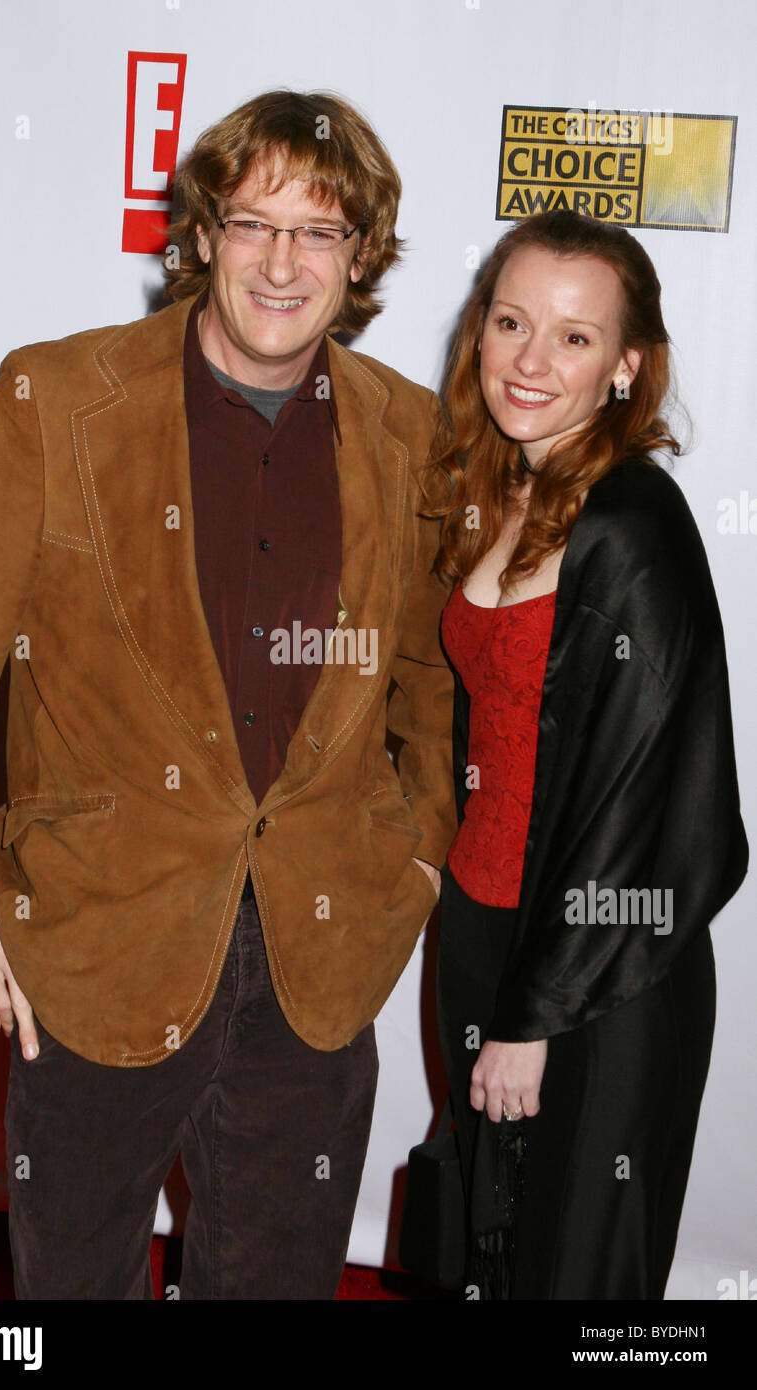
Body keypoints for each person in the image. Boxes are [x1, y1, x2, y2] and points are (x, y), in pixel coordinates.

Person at [0, 89, 457, 1300]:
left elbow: (431, 681)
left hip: (313, 968)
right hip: (98, 944)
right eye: (254, 223)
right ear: (202, 232)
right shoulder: (56, 405)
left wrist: (411, 863)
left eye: (319, 233)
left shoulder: (408, 434)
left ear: (360, 259)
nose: (282, 262)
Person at [425, 210, 748, 1299]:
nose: (529, 359)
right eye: (510, 321)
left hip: (598, 973)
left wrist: (534, 1016)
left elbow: (642, 798)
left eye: (571, 337)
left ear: (626, 363)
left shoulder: (631, 526)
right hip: (478, 927)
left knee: (578, 1273)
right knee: (491, 1249)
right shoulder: (501, 486)